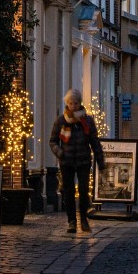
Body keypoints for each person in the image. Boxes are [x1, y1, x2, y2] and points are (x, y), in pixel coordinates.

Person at [49, 89, 105, 235]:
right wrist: (60, 152)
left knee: (83, 190)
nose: (73, 106)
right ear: (67, 104)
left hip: (83, 160)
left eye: (76, 103)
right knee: (68, 191)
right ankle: (72, 221)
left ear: (80, 103)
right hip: (66, 161)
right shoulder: (61, 121)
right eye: (71, 103)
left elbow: (94, 142)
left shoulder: (87, 121)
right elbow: (53, 141)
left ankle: (84, 219)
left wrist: (100, 161)